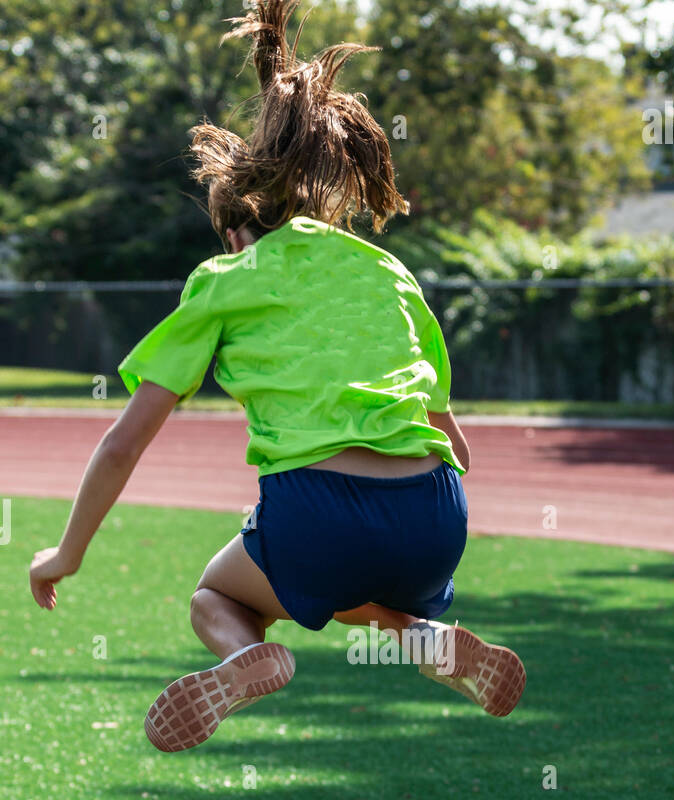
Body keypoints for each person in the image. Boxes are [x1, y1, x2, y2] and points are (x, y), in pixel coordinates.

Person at [29, 1, 526, 752]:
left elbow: (124, 444)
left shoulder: (227, 278)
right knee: (364, 586)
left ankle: (246, 653)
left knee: (217, 592)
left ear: (234, 231)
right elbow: (455, 440)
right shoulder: (388, 270)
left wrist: (64, 554)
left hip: (320, 515)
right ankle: (423, 631)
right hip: (435, 516)